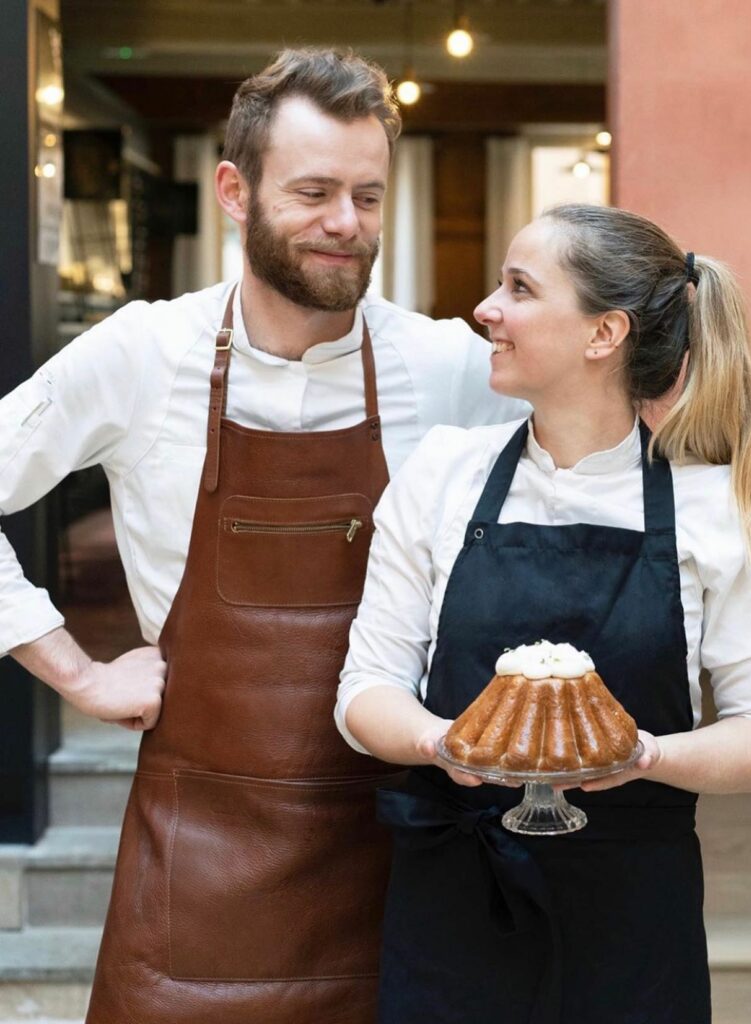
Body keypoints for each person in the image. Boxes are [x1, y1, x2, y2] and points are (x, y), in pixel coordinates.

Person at [0, 49, 526, 1023]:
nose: (346, 224)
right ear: (235, 193)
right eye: (316, 191)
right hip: (193, 855)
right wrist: (78, 673)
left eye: (368, 196)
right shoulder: (143, 352)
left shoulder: (444, 362)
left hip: (394, 848)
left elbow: (585, 483)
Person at [336, 204, 751, 1024]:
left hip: (630, 915)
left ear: (603, 334)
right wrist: (434, 743)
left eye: (518, 288)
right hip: (455, 902)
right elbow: (363, 690)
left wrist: (646, 756)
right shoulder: (442, 472)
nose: (486, 308)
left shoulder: (713, 511)